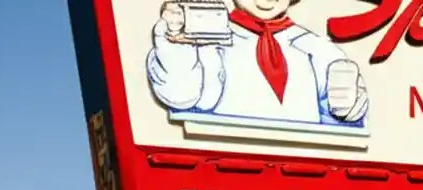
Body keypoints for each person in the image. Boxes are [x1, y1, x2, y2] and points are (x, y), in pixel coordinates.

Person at [146, 0, 369, 127]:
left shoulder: (313, 46)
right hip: (225, 166)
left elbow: (346, 110)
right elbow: (183, 95)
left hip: (304, 170)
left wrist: (349, 105)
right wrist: (174, 47)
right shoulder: (210, 38)